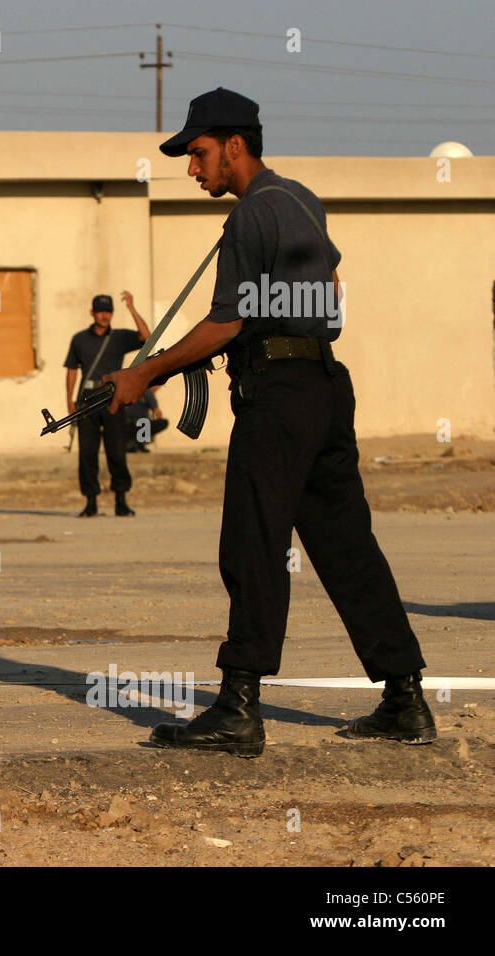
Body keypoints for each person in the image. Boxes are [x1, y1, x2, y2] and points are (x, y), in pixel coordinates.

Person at [104, 87, 432, 756]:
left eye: (197, 155)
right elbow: (335, 302)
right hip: (325, 388)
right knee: (347, 547)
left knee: (254, 544)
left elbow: (228, 322)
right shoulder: (303, 201)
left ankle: (238, 707)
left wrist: (144, 373)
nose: (193, 170)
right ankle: (405, 699)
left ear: (234, 145)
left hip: (277, 396)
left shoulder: (250, 220)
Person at [64, 291, 150, 516]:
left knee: (116, 451)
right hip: (86, 401)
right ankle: (90, 502)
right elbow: (72, 370)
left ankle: (121, 501)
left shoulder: (119, 337)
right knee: (87, 453)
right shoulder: (79, 339)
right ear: (93, 313)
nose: (104, 315)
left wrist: (132, 307)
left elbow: (146, 337)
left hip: (112, 400)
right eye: (100, 311)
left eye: (108, 311)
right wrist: (70, 401)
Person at [124, 387, 169, 452]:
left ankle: (132, 442)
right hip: (138, 425)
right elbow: (158, 412)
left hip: (126, 424)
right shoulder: (147, 392)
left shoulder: (131, 390)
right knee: (163, 422)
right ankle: (139, 442)